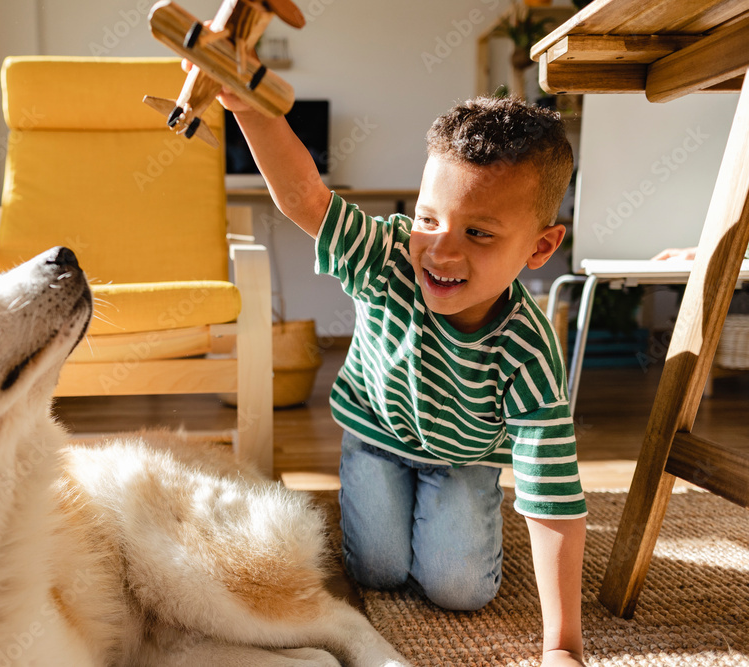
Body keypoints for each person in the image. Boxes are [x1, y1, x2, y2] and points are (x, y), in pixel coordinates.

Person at [216, 83, 588, 667]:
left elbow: (555, 499)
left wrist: (562, 646)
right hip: (377, 437)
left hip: (464, 458)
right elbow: (306, 197)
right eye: (427, 218)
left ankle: (461, 511)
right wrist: (248, 108)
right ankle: (400, 506)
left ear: (539, 248)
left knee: (459, 590)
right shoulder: (386, 256)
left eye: (479, 233)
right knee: (377, 572)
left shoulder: (528, 348)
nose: (440, 251)